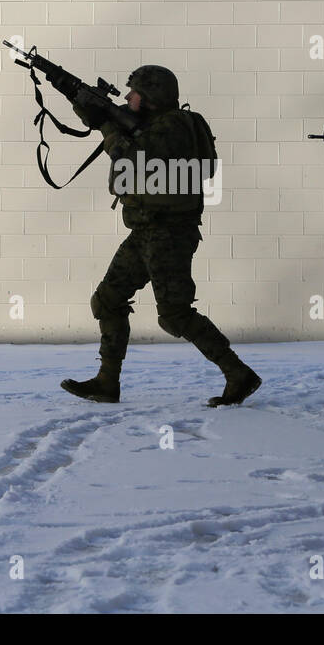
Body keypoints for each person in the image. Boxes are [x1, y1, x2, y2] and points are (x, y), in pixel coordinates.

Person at [60, 64, 261, 407]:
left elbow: (128, 156)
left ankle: (238, 374)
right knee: (107, 299)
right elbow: (127, 142)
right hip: (145, 230)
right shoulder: (151, 125)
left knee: (174, 313)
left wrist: (104, 121)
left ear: (151, 96)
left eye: (133, 92)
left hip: (169, 233)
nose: (126, 97)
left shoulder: (173, 127)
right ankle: (107, 382)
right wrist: (83, 103)